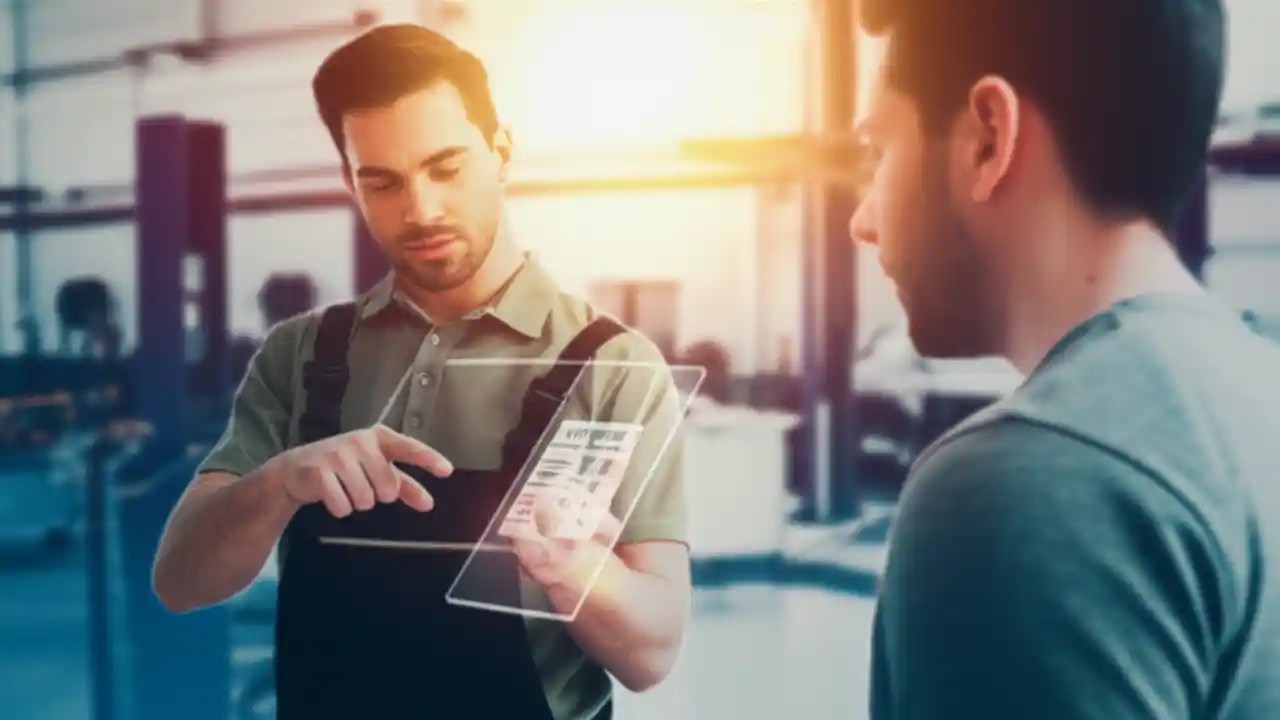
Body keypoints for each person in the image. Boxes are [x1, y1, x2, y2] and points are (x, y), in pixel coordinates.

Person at [152, 24, 690, 720]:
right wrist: (280, 482)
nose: (422, 210)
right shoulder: (303, 356)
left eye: (447, 167)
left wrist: (574, 567)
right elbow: (180, 582)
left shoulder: (614, 368)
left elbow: (651, 655)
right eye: (383, 182)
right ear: (351, 183)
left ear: (501, 153)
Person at [850, 1, 1280, 718]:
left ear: (989, 138)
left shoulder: (1023, 482)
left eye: (878, 152)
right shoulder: (1256, 390)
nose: (862, 218)